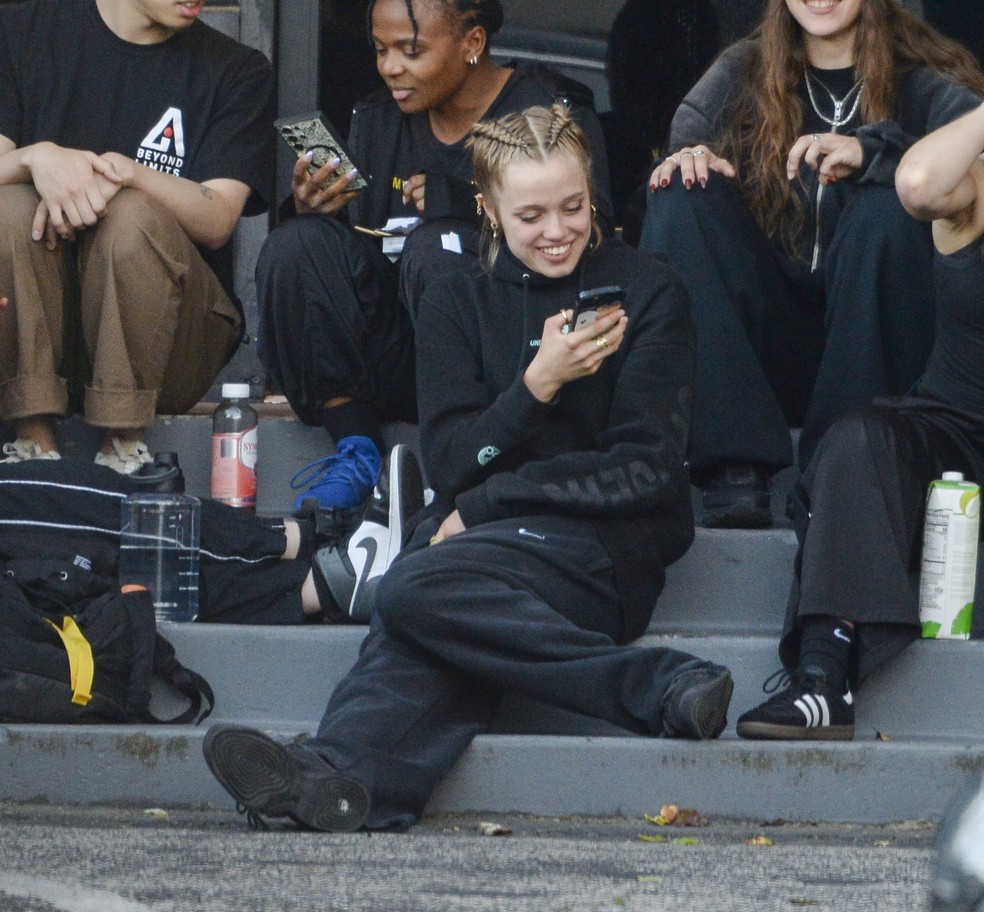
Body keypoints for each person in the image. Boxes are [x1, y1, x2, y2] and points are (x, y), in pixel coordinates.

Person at [202, 104, 733, 834]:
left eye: (574, 207)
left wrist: (486, 505)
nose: (558, 231)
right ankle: (343, 779)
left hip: (598, 550)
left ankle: (654, 682)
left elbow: (648, 472)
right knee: (425, 614)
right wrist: (537, 383)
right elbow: (451, 459)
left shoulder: (649, 292)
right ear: (488, 209)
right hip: (477, 546)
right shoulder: (456, 297)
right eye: (532, 214)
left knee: (414, 587)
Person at [256, 0, 613, 517]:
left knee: (438, 246)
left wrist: (458, 202)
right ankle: (356, 451)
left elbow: (592, 235)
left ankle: (463, 462)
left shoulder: (549, 110)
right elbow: (352, 259)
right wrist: (314, 209)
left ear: (472, 43)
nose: (390, 67)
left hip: (512, 365)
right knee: (295, 245)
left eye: (411, 49)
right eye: (381, 50)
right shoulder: (377, 118)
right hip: (401, 351)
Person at [639, 0, 984, 529]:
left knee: (884, 210)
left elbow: (968, 174)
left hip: (878, 357)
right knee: (681, 191)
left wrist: (876, 155)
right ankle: (734, 467)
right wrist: (688, 160)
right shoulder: (741, 72)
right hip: (764, 357)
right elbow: (684, 155)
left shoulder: (927, 80)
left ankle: (840, 477)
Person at [735, 98, 984, 740]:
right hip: (955, 423)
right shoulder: (976, 189)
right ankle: (822, 678)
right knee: (856, 440)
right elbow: (919, 183)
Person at [0, 0, 275, 475]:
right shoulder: (23, 30)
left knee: (130, 216)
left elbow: (218, 219)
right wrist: (35, 159)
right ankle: (33, 441)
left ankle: (124, 447)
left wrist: (130, 174)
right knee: (11, 205)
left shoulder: (236, 68)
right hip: (45, 332)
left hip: (173, 344)